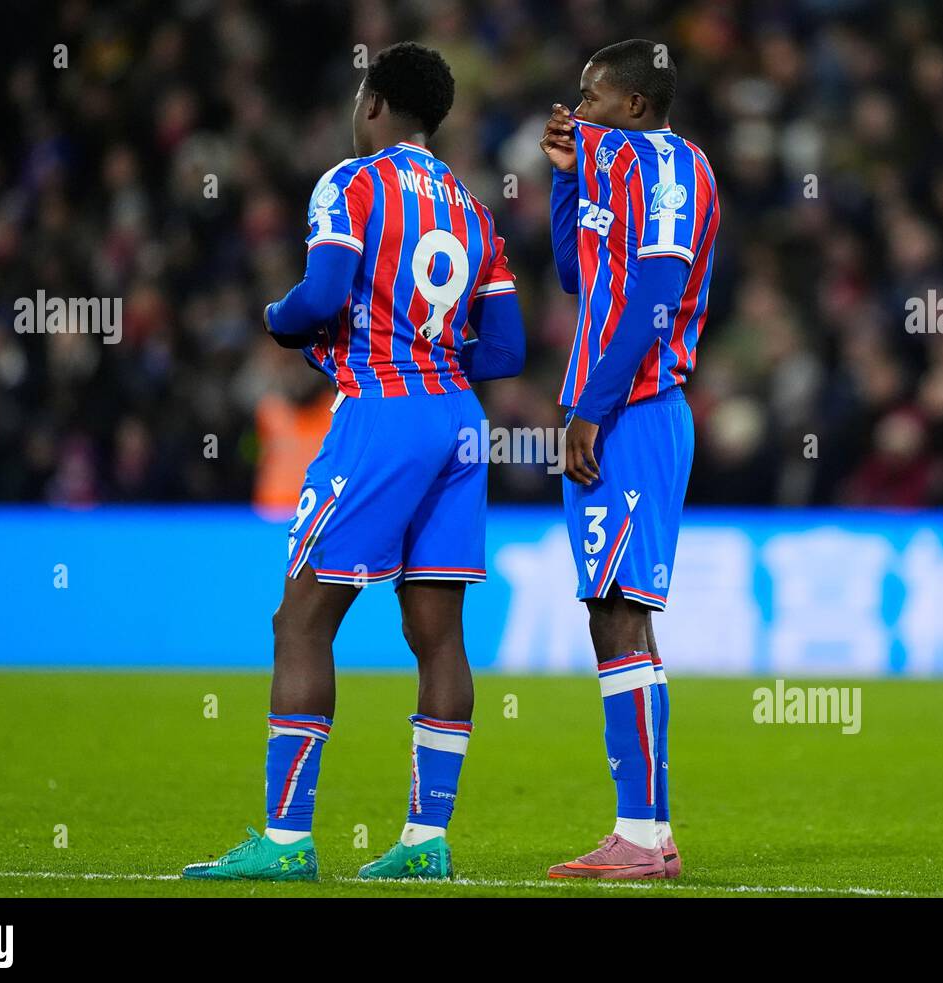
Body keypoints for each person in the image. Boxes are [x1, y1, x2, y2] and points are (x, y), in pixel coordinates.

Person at [183, 42, 524, 882]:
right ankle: (424, 841)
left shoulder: (350, 181)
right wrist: (433, 356)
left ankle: (287, 841)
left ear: (373, 103)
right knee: (438, 635)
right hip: (460, 421)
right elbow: (508, 347)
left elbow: (324, 293)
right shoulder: (473, 211)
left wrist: (279, 317)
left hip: (383, 413)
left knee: (300, 619)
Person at [540, 39, 718, 879]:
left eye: (592, 98)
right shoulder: (619, 167)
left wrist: (590, 408)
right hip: (614, 410)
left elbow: (651, 295)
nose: (576, 110)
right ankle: (638, 830)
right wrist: (567, 178)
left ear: (638, 106)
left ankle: (646, 836)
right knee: (608, 609)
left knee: (622, 612)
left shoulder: (667, 168)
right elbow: (579, 277)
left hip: (635, 413)